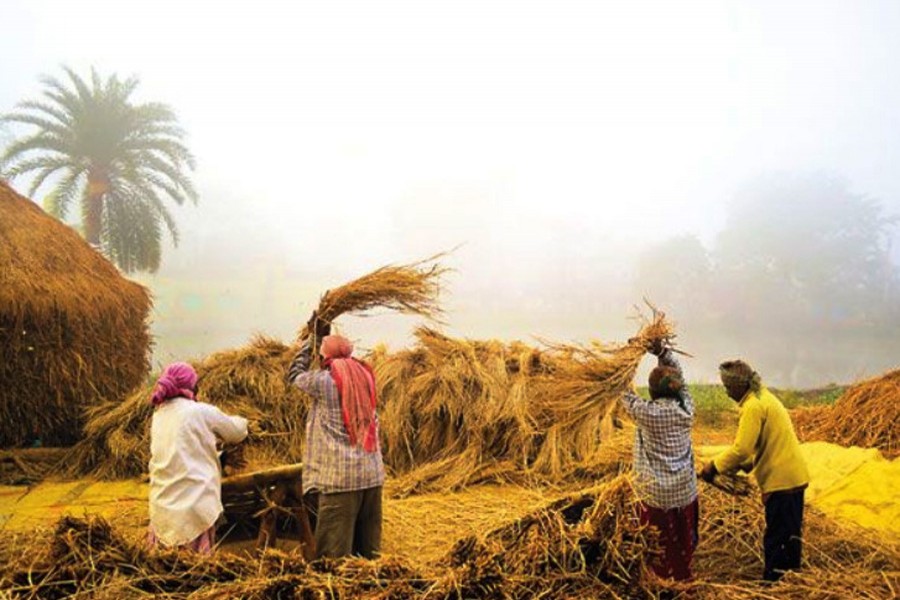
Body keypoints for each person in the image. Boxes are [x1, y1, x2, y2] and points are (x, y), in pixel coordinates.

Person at [700, 360, 809, 581]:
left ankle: (774, 584)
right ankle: (792, 581)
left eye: (728, 387)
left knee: (777, 537)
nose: (727, 392)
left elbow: (742, 449)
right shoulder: (764, 397)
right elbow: (755, 449)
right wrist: (741, 467)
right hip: (793, 475)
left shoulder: (752, 406)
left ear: (741, 385)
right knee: (790, 535)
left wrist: (713, 467)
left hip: (782, 479)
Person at [288, 311, 385, 559]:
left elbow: (294, 374)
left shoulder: (324, 382)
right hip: (372, 478)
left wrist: (311, 339)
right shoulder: (366, 376)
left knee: (334, 559)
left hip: (341, 481)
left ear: (326, 357)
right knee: (368, 555)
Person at [148, 362, 248, 553]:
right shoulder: (200, 411)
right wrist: (246, 421)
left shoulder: (158, 414)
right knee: (195, 573)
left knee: (164, 571)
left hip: (161, 508)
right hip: (193, 507)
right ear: (191, 386)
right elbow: (236, 432)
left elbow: (183, 450)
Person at [620, 339, 698, 582]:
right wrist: (663, 353)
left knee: (658, 545)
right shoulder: (687, 409)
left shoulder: (646, 412)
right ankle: (683, 578)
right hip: (685, 491)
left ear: (652, 392)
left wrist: (627, 360)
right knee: (682, 541)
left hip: (655, 496)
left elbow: (620, 391)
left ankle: (662, 583)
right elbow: (680, 379)